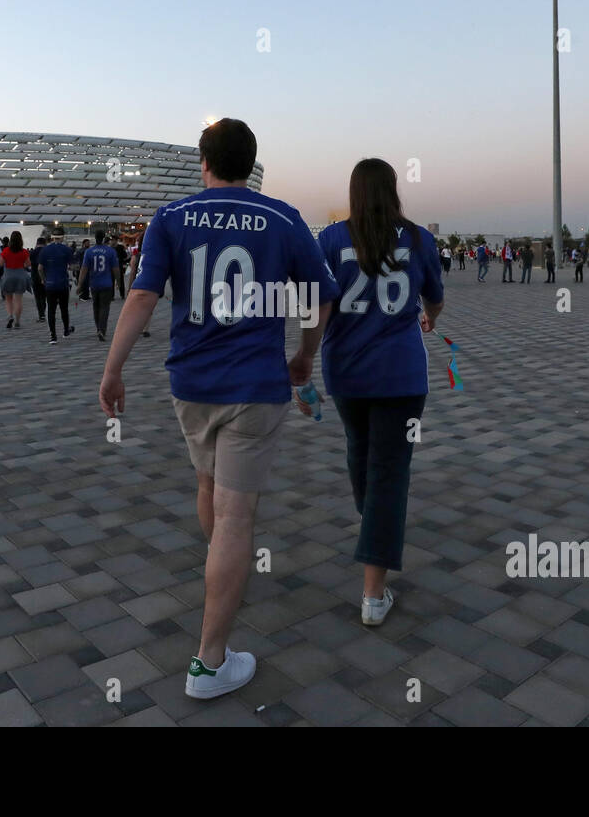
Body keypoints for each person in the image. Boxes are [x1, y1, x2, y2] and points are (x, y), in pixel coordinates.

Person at [97, 118, 337, 700]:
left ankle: (218, 573)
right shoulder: (282, 217)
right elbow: (322, 294)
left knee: (208, 486)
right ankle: (209, 661)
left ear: (203, 162)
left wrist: (113, 368)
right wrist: (305, 355)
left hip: (192, 383)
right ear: (250, 164)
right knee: (236, 516)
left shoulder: (171, 217)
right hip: (255, 385)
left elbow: (144, 295)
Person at [309, 159, 443, 626]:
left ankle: (374, 570)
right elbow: (435, 296)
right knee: (386, 473)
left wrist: (303, 359)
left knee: (362, 459)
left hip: (345, 371)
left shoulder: (329, 239)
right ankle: (374, 584)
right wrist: (429, 317)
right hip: (402, 375)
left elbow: (316, 306)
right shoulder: (419, 238)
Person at [78, 229, 119, 340]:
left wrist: (79, 285)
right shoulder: (111, 251)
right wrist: (119, 282)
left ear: (95, 238)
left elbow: (83, 269)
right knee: (105, 307)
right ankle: (102, 329)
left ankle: (98, 328)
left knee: (96, 307)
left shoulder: (89, 252)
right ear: (104, 237)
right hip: (107, 283)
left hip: (94, 284)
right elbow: (116, 269)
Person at [37, 230, 74, 343]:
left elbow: (40, 268)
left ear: (52, 237)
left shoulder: (45, 250)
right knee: (64, 308)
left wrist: (44, 279)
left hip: (50, 284)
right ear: (62, 237)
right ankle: (66, 330)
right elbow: (72, 266)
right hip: (62, 283)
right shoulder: (67, 249)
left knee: (51, 310)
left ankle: (53, 336)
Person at [0, 231, 32, 328]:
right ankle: (17, 321)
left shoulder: (5, 251)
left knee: (8, 299)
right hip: (20, 275)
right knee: (18, 300)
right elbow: (28, 264)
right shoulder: (24, 251)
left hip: (8, 275)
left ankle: (10, 316)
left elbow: (0, 264)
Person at [29, 236, 49, 322]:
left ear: (37, 243)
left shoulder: (32, 252)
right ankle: (44, 312)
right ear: (45, 243)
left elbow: (28, 264)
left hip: (35, 277)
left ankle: (41, 315)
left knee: (37, 297)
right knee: (44, 296)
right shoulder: (47, 252)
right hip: (45, 276)